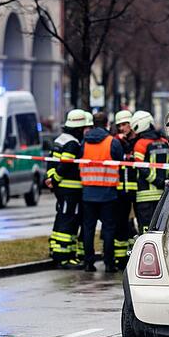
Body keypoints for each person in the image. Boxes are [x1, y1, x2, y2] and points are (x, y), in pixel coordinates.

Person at [79, 111, 125, 272]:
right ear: (107, 123)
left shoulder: (84, 142)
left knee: (88, 229)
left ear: (92, 123)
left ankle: (88, 262)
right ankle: (108, 263)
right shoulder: (112, 142)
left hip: (88, 193)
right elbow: (121, 161)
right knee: (108, 229)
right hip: (108, 194)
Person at [45, 109, 90, 268]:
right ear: (78, 128)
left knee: (62, 218)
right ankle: (64, 257)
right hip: (70, 190)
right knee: (68, 221)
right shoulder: (72, 144)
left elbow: (51, 162)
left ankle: (57, 250)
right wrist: (56, 179)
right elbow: (65, 165)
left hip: (62, 190)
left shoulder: (60, 140)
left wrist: (51, 178)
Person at [130, 110, 169, 233]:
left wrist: (158, 181)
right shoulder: (164, 142)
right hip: (164, 194)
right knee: (162, 228)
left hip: (145, 195)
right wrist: (167, 181)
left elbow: (142, 168)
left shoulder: (140, 144)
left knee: (146, 228)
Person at [111, 109, 136, 270]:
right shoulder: (116, 142)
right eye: (119, 125)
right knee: (121, 224)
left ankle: (134, 256)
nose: (122, 128)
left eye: (125, 124)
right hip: (121, 191)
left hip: (138, 190)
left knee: (136, 225)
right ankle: (121, 259)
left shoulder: (138, 141)